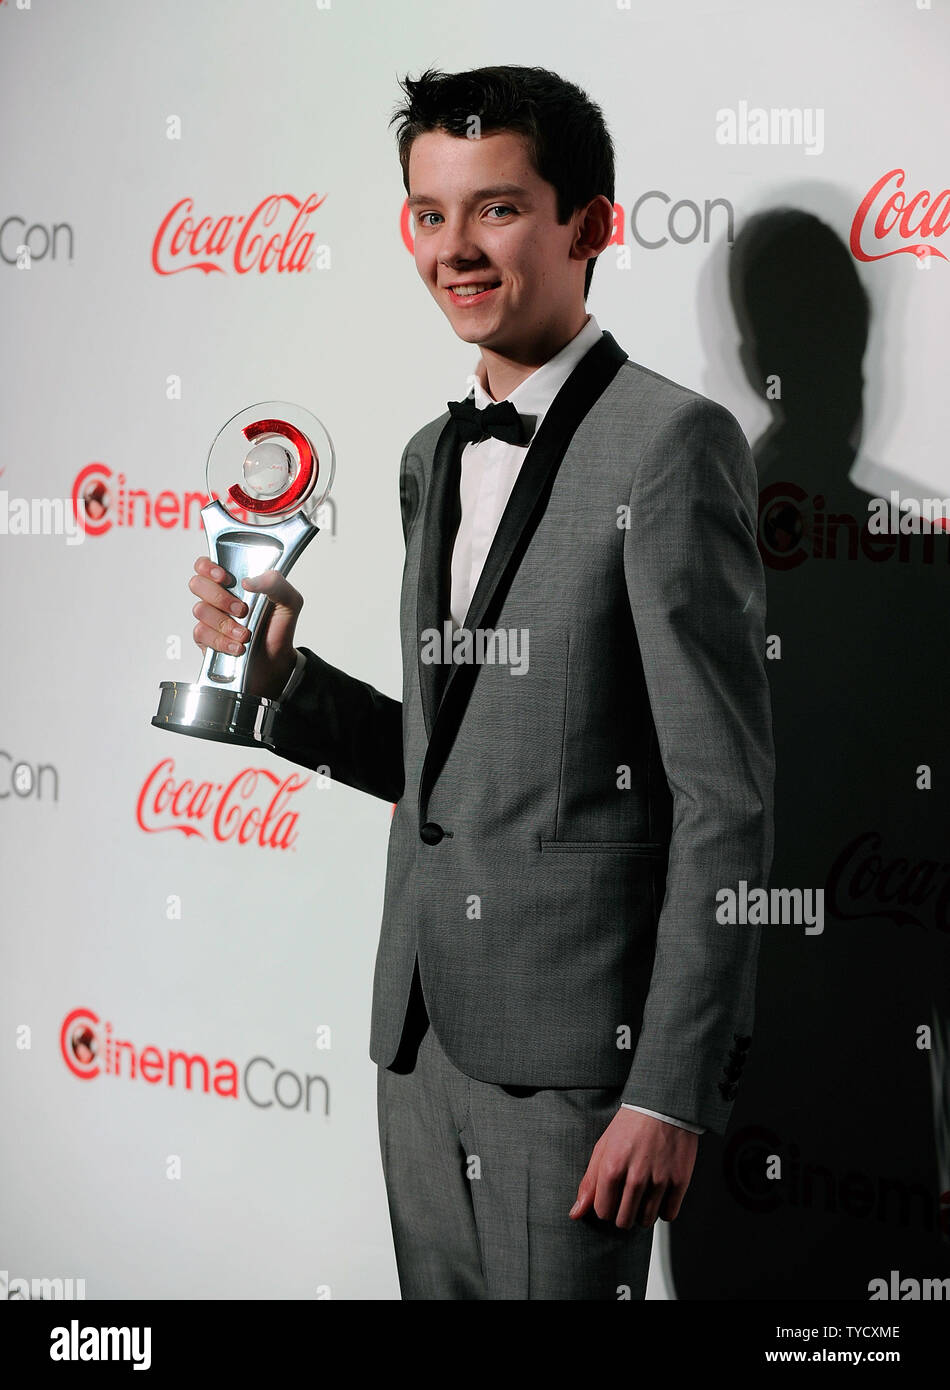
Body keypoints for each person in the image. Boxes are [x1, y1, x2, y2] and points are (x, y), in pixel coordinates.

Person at [187, 65, 775, 1300]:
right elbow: (463, 754)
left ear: (588, 225)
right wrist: (287, 682)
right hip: (417, 1040)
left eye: (496, 208)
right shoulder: (426, 455)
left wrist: (666, 1085)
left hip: (576, 1065)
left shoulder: (670, 446)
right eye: (427, 212)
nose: (454, 249)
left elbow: (721, 801)